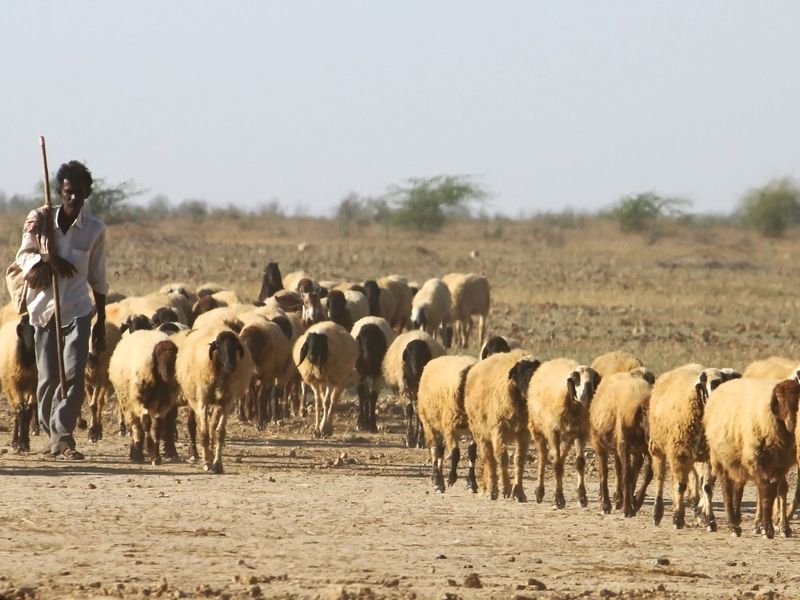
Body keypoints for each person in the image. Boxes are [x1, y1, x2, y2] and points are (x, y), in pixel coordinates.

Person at [15, 160, 108, 460]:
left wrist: (101, 321)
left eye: (79, 194)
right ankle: (50, 430)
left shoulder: (94, 230)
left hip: (78, 310)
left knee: (73, 375)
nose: (72, 199)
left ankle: (64, 435)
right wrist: (47, 260)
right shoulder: (40, 221)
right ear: (59, 192)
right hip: (43, 310)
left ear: (86, 195)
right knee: (48, 379)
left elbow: (98, 276)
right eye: (68, 193)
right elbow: (23, 256)